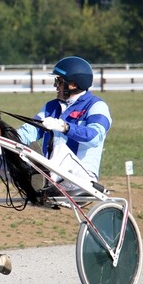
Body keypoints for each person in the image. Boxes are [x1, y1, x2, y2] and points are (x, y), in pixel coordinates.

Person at [14, 56, 112, 191]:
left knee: (60, 148)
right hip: (54, 174)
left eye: (58, 81)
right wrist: (7, 138)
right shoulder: (51, 106)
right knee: (16, 149)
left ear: (73, 85)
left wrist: (65, 127)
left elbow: (94, 137)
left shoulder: (97, 106)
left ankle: (45, 178)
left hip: (81, 178)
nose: (55, 85)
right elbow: (31, 130)